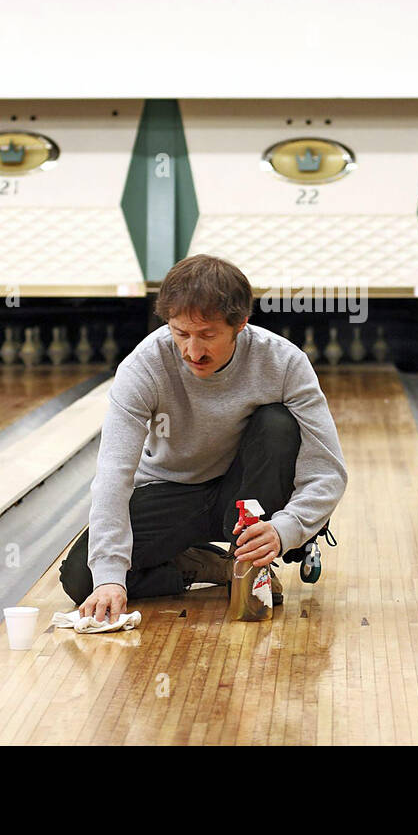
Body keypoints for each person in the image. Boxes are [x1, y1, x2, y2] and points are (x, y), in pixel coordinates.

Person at [61, 254, 348, 622]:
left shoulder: (283, 363)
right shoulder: (143, 367)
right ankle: (204, 565)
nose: (193, 351)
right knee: (81, 578)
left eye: (208, 335)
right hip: (171, 493)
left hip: (244, 494)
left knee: (277, 423)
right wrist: (109, 578)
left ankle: (247, 558)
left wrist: (284, 529)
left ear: (240, 324)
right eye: (181, 333)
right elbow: (113, 475)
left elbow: (327, 470)